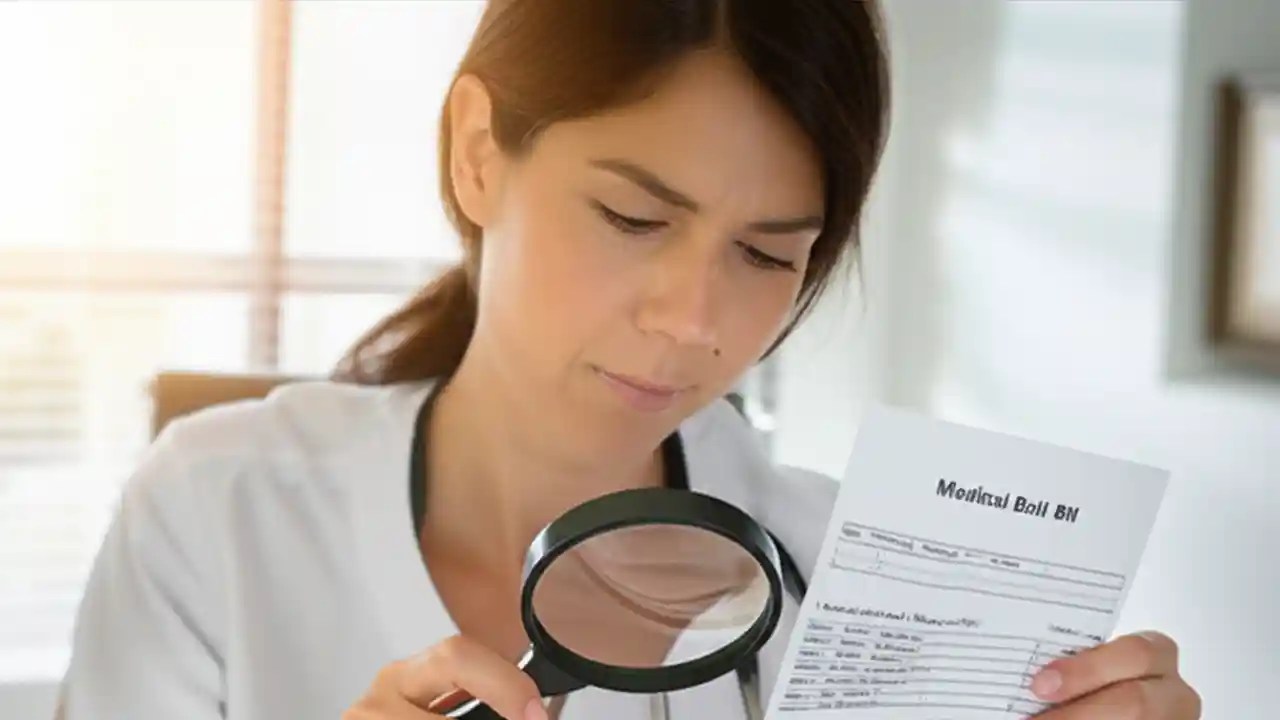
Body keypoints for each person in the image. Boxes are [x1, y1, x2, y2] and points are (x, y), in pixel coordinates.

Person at [58, 1, 1202, 719]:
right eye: (632, 219)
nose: (694, 320)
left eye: (763, 253)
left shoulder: (870, 595)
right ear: (475, 155)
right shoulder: (215, 505)